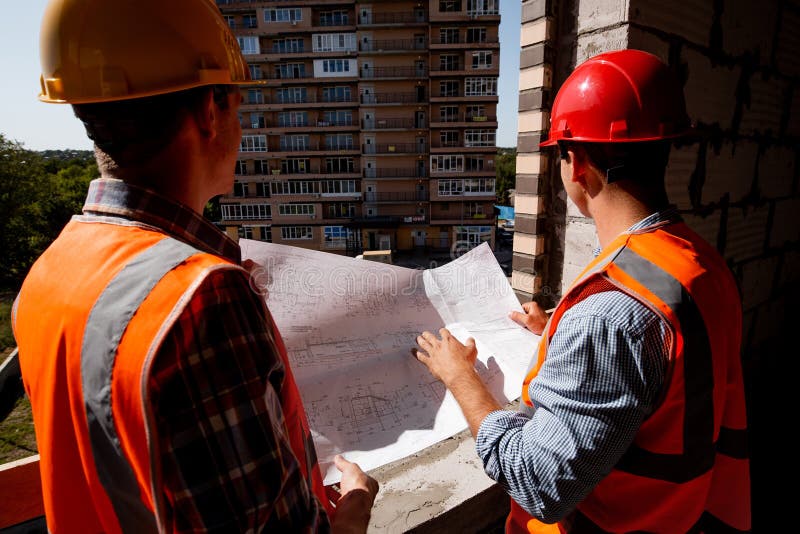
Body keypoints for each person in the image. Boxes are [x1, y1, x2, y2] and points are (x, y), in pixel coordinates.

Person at [11, 1, 377, 532]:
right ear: (211, 110)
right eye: (238, 105)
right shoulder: (203, 299)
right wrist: (355, 510)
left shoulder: (49, 273)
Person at [415, 49, 750, 533]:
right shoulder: (699, 262)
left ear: (577, 165)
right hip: (686, 518)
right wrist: (555, 327)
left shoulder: (608, 318)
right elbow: (667, 369)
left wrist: (460, 377)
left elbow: (538, 483)